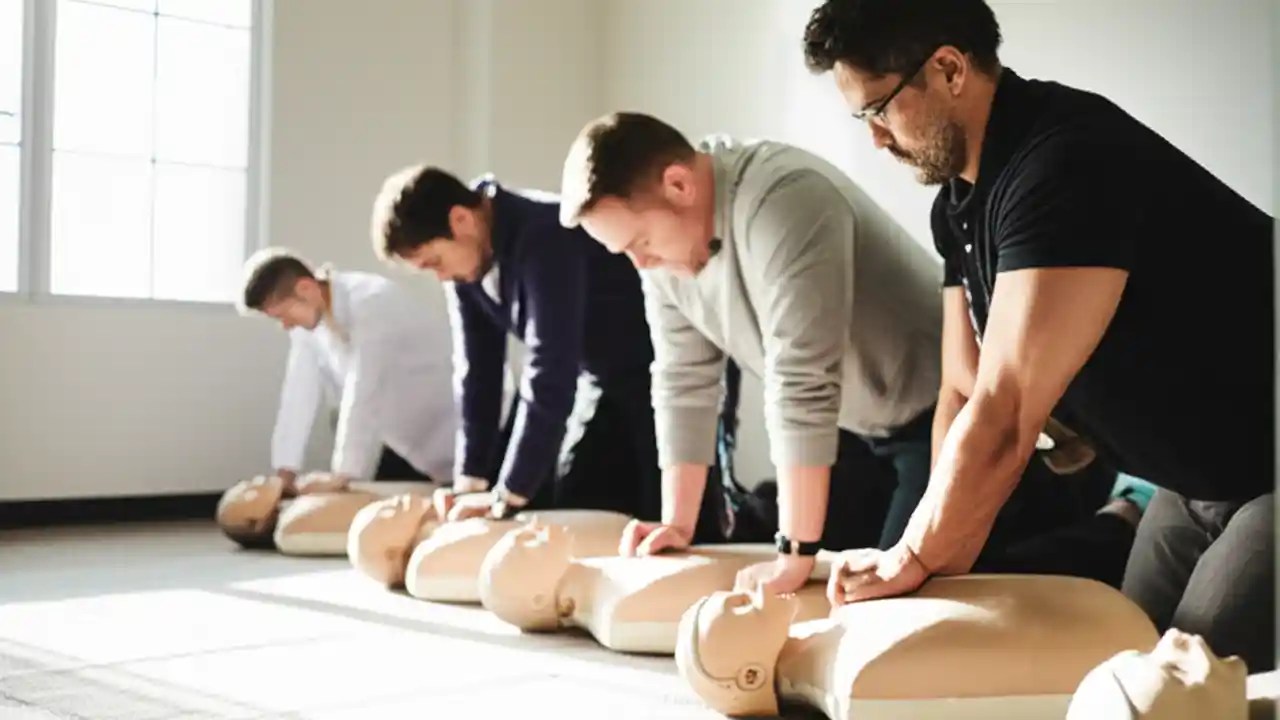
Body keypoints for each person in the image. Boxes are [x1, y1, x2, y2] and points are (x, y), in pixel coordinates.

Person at [802, 0, 1275, 671]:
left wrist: (914, 557)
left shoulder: (1064, 159)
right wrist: (928, 560)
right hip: (1191, 481)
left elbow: (1006, 410)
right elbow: (963, 393)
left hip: (1268, 470)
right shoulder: (958, 208)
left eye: (878, 107)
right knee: (1111, 668)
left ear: (948, 69)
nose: (875, 137)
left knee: (1183, 693)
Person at [559, 112, 953, 594]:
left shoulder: (784, 198)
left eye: (640, 242)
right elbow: (683, 379)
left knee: (893, 603)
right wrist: (678, 523)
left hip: (944, 418)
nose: (639, 263)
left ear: (678, 185)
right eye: (624, 251)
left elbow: (802, 377)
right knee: (824, 590)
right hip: (854, 431)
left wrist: (794, 552)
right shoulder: (662, 263)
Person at [369, 167, 661, 522]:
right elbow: (478, 373)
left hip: (664, 374)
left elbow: (549, 365)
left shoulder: (546, 234)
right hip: (598, 378)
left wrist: (508, 492)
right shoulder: (466, 265)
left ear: (461, 219)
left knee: (670, 514)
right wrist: (471, 480)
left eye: (435, 262)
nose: (441, 277)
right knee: (580, 502)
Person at [238, 248, 456, 493]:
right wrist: (285, 471)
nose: (286, 326)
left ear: (306, 289)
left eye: (283, 315)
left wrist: (342, 474)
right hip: (413, 444)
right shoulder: (308, 327)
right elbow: (298, 395)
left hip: (461, 427)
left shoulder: (371, 301)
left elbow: (363, 388)